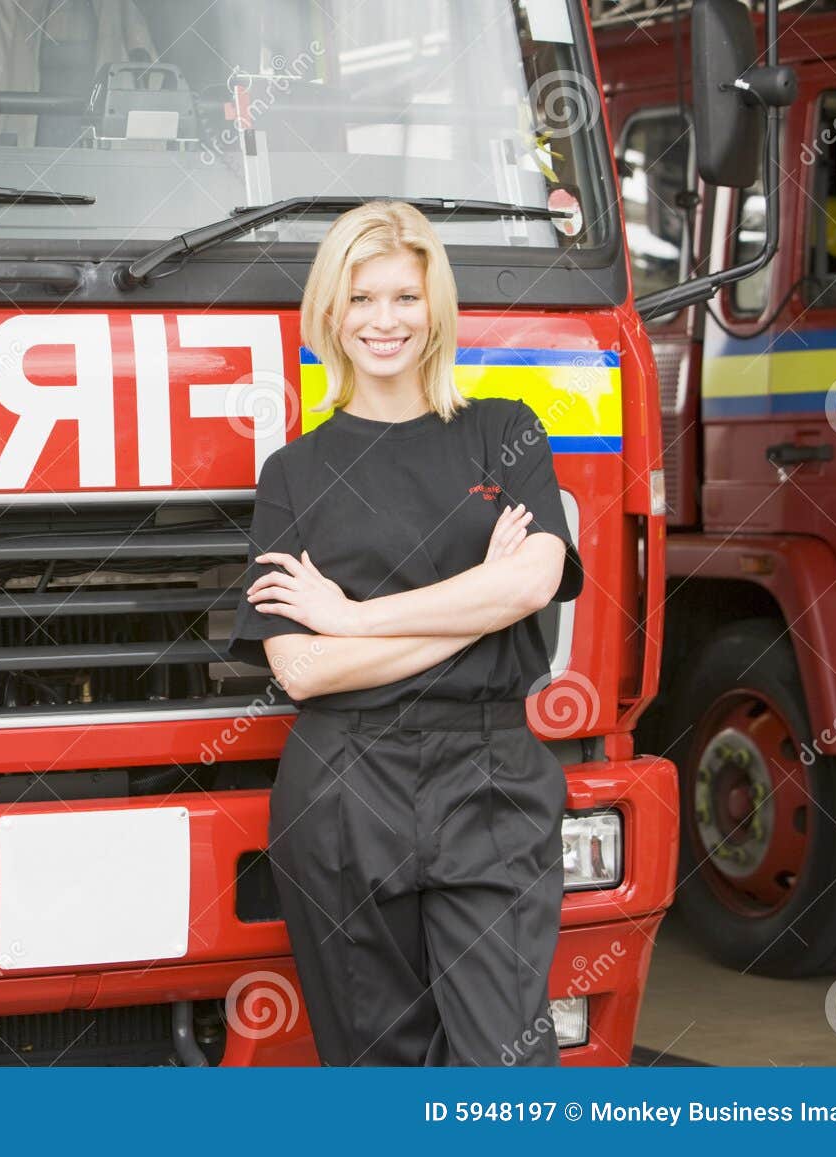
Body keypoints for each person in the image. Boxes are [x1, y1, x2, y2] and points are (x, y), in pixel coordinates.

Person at [226, 200, 585, 1066]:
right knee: (379, 1071)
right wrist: (480, 603)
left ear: (436, 310)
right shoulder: (293, 472)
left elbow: (536, 578)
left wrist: (355, 617)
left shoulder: (507, 430)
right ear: (330, 313)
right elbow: (303, 669)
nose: (383, 321)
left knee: (510, 1069)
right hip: (344, 789)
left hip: (492, 781)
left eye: (404, 297)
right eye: (360, 299)